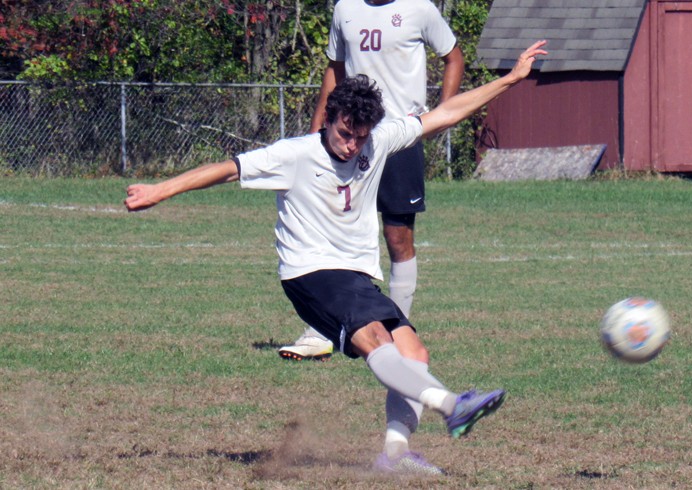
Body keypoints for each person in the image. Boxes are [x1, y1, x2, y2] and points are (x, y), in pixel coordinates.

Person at [124, 41, 549, 476]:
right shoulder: (294, 154)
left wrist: (511, 79)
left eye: (360, 138)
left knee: (414, 354)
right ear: (328, 119)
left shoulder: (376, 141)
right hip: (310, 272)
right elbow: (227, 169)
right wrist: (160, 190)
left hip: (356, 276)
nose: (351, 146)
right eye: (345, 134)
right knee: (376, 343)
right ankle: (452, 404)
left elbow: (445, 114)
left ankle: (395, 456)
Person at [279, 0, 465, 362]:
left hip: (398, 140)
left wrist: (442, 115)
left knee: (398, 238)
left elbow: (454, 57)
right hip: (351, 138)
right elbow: (334, 69)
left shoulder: (420, 9)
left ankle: (395, 328)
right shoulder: (344, 8)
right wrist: (319, 125)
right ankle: (323, 331)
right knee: (331, 233)